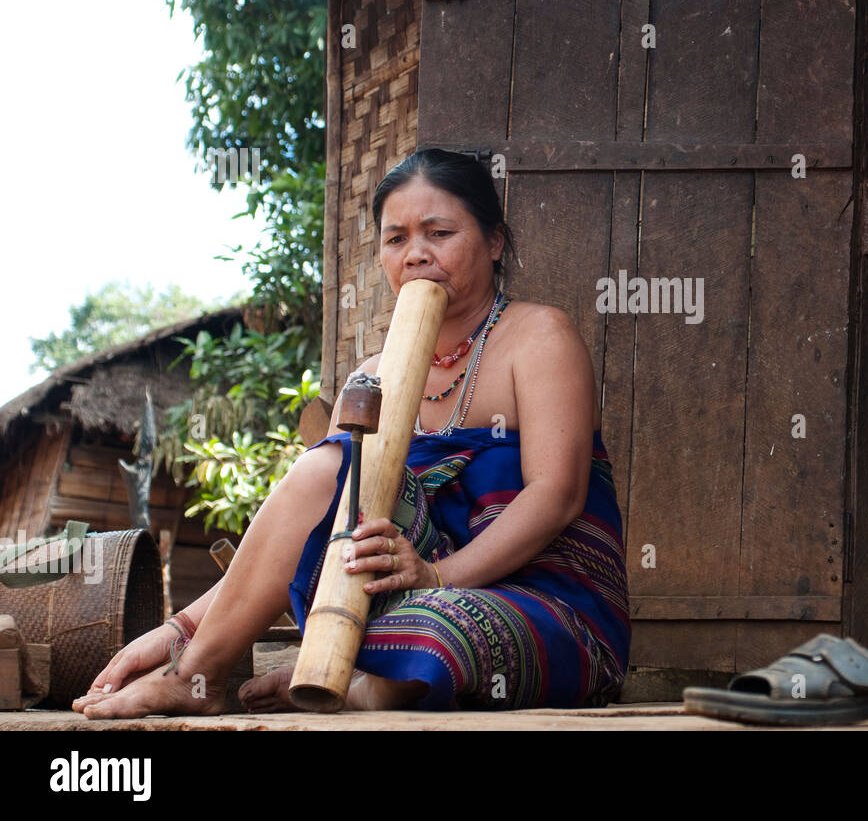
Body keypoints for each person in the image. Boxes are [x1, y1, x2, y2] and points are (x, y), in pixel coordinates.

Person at [73, 148, 630, 717]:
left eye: (439, 233)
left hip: (545, 603)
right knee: (329, 469)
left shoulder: (540, 336)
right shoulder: (369, 378)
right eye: (396, 239)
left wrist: (439, 573)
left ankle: (364, 680)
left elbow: (555, 496)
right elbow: (308, 519)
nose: (416, 254)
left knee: (438, 641)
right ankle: (198, 673)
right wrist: (180, 628)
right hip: (411, 598)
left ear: (494, 242)